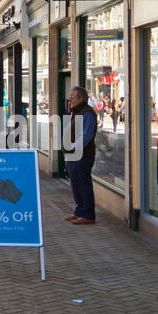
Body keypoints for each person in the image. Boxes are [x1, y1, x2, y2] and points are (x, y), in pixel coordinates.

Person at [63, 87, 98, 225]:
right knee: (76, 184)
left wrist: (73, 147)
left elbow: (86, 135)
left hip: (82, 155)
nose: (70, 100)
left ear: (81, 98)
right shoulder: (77, 112)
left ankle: (88, 214)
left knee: (83, 184)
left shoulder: (87, 113)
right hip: (74, 155)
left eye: (73, 97)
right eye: (70, 97)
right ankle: (80, 211)